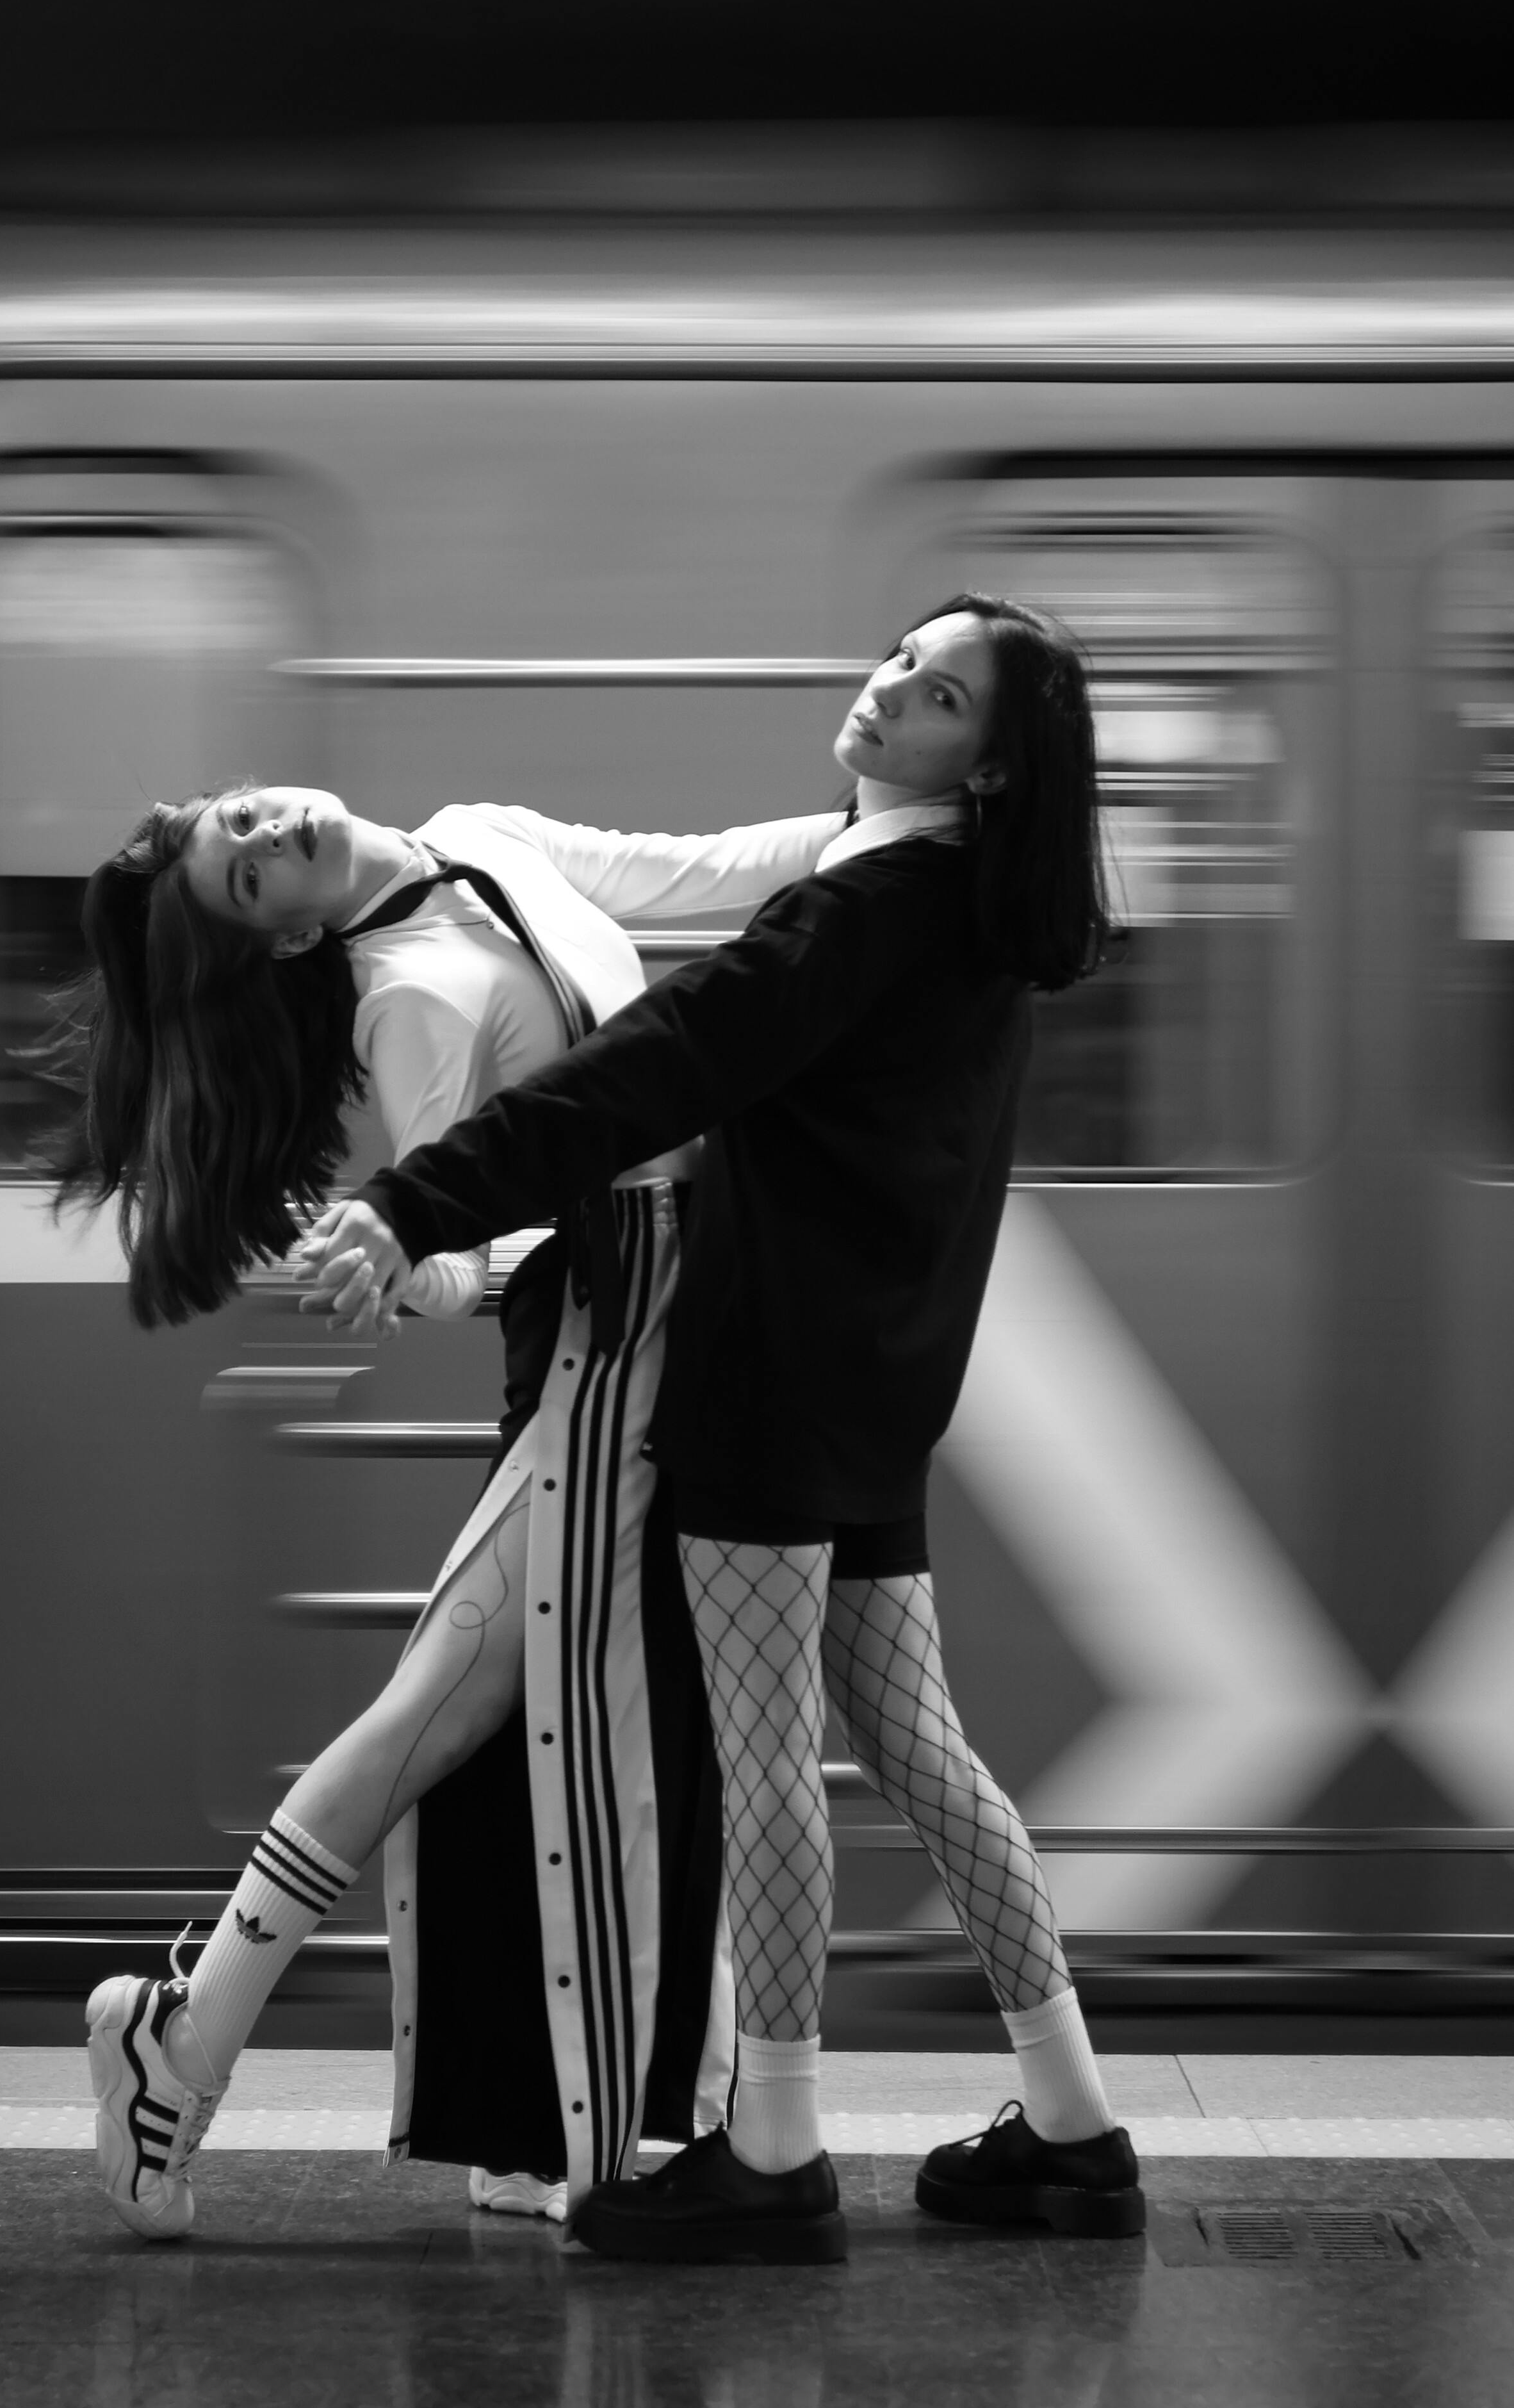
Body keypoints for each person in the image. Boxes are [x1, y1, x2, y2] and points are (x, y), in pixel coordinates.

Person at [295, 593, 1143, 2265]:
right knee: (916, 1745)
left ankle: (772, 2144)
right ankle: (1073, 2122)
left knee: (765, 1756)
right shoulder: (945, 887)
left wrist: (413, 1201)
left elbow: (656, 1064)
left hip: (770, 1363)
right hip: (879, 1374)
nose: (890, 689)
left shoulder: (873, 901)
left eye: (941, 692)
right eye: (903, 659)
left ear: (989, 761)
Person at [47, 783, 847, 2238]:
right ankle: (195, 2045)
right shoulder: (404, 996)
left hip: (659, 1337)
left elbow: (688, 866)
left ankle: (203, 2040)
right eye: (239, 878)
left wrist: (877, 831)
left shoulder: (479, 833)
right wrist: (399, 1258)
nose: (258, 838)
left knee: (453, 1713)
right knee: (457, 1717)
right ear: (283, 944)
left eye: (236, 823)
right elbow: (473, 1225)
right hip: (599, 1348)